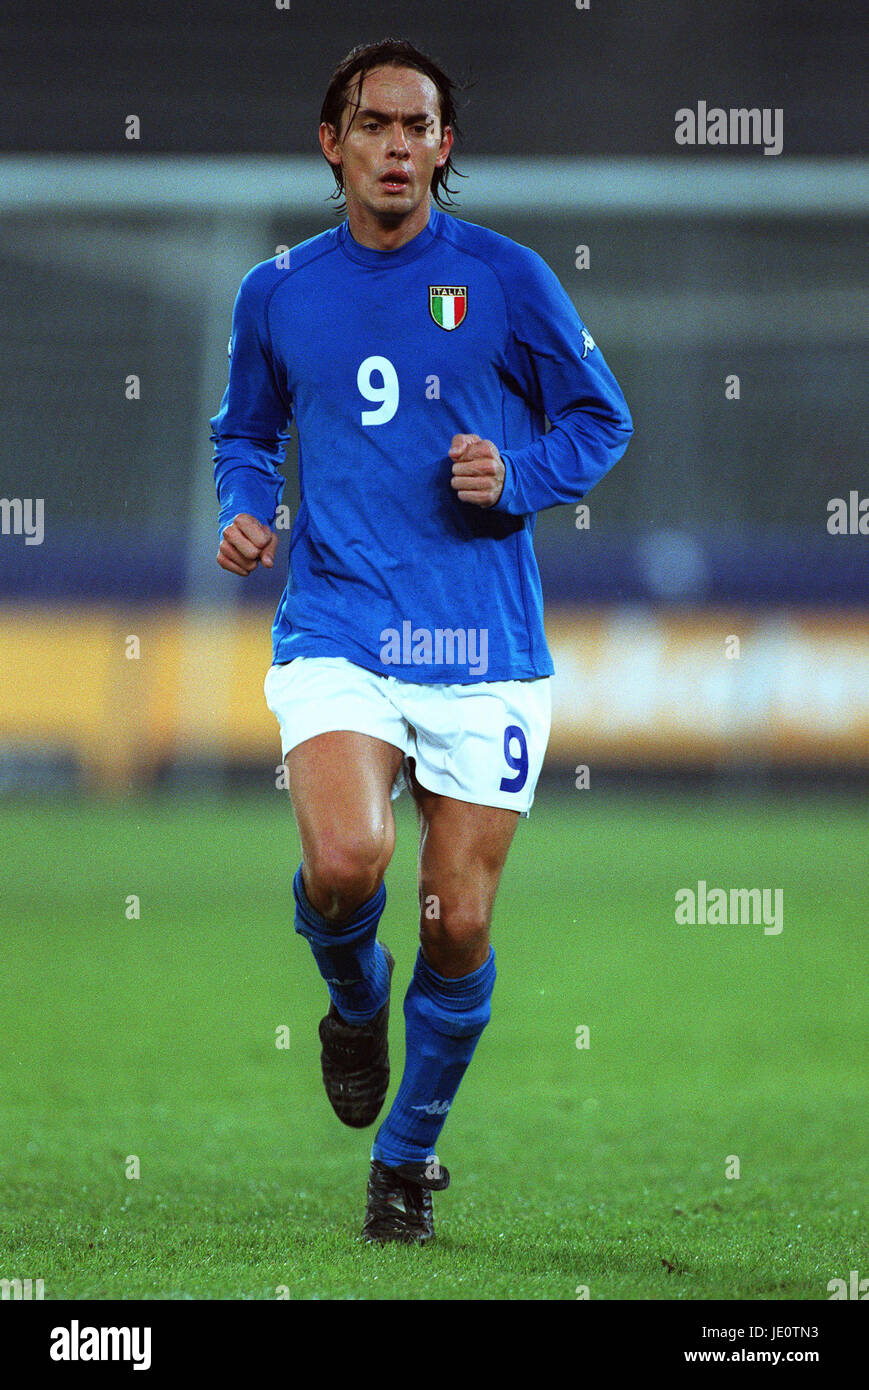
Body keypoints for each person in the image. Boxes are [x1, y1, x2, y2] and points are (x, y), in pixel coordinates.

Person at [211, 37, 632, 1245]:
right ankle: (352, 1000)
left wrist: (522, 472)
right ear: (331, 143)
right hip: (340, 621)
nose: (396, 147)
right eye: (373, 125)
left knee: (456, 922)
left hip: (483, 643)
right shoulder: (277, 289)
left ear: (444, 150)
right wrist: (244, 506)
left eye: (418, 128)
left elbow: (600, 419)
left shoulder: (504, 278)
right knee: (346, 861)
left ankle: (406, 1155)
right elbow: (243, 431)